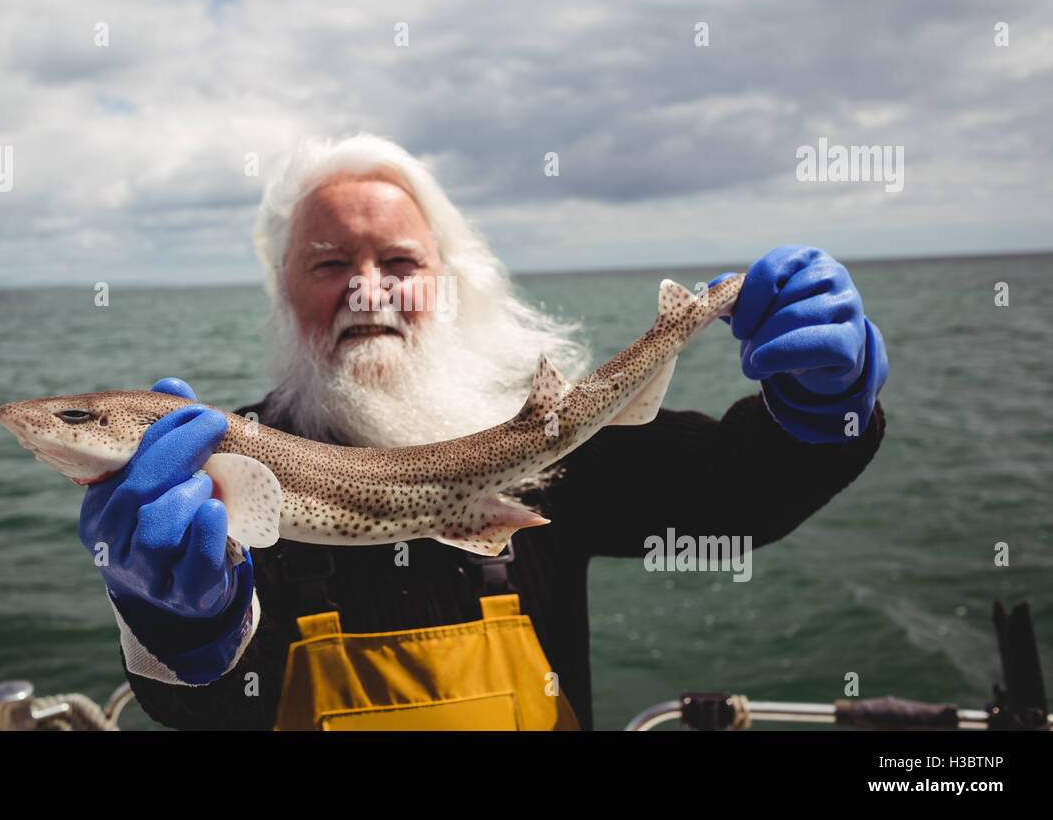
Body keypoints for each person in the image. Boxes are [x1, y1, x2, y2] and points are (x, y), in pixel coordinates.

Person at [79, 133, 889, 730]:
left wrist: (825, 407)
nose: (368, 290)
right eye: (329, 265)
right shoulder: (222, 470)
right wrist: (178, 627)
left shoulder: (545, 440)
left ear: (450, 284)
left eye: (398, 263)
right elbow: (205, 712)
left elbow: (736, 497)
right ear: (284, 294)